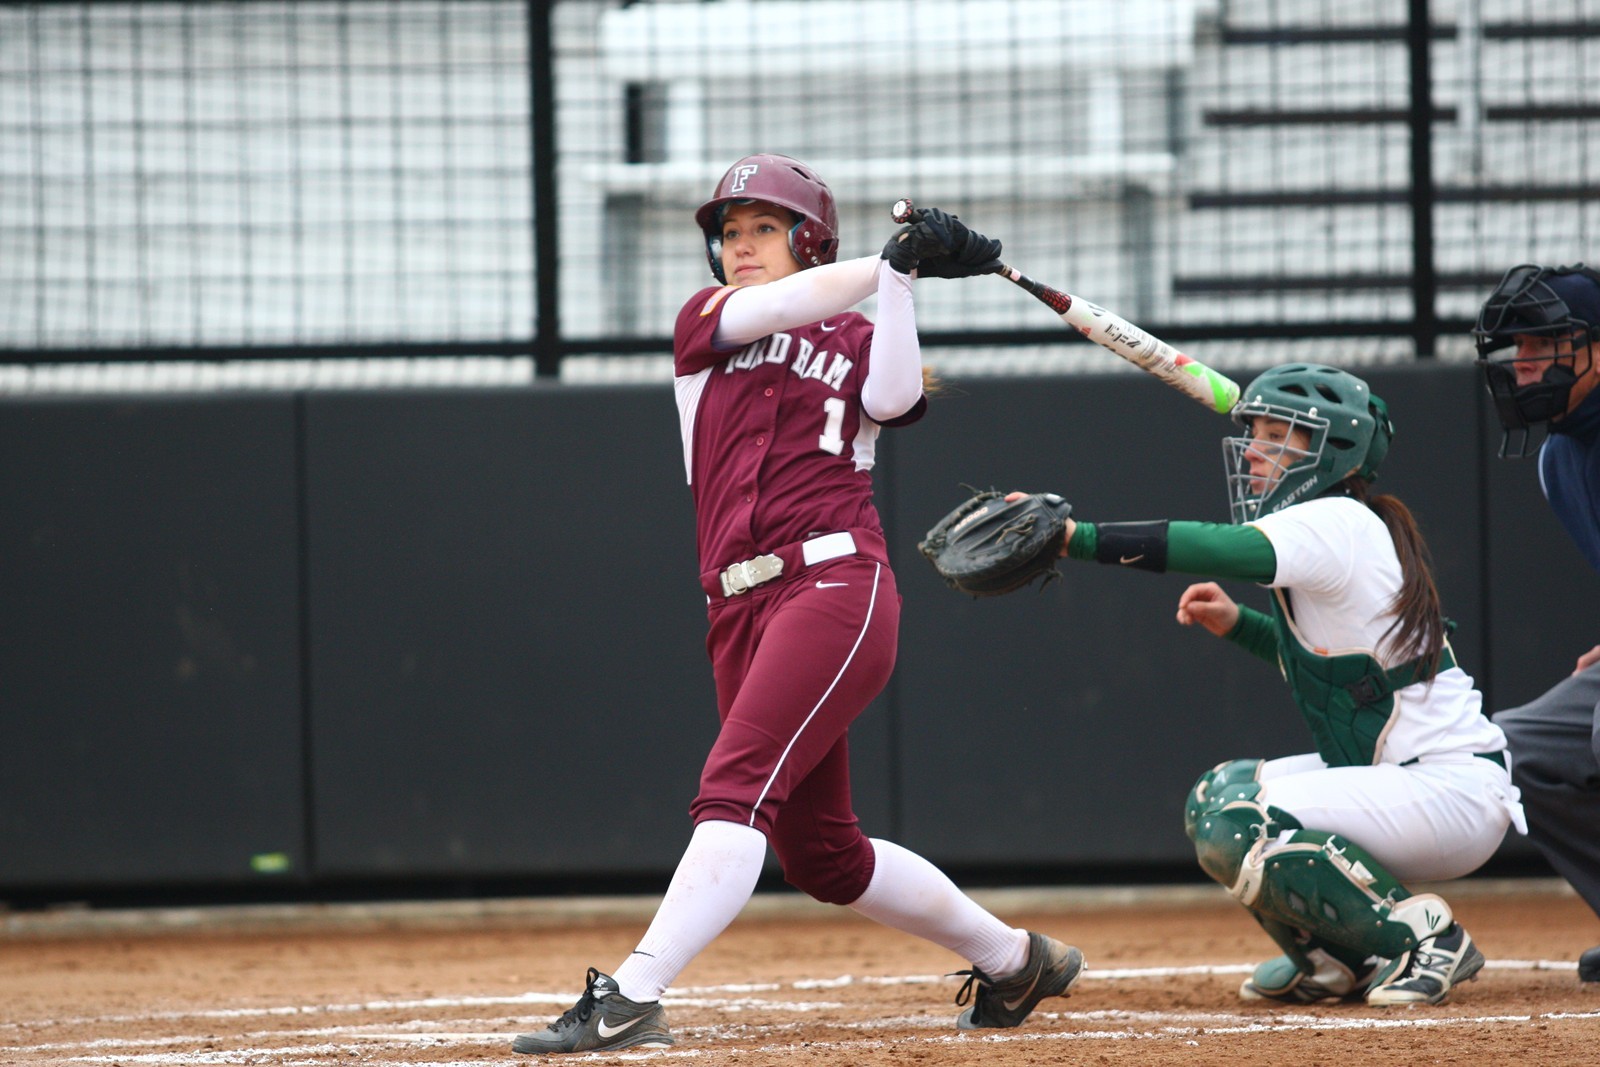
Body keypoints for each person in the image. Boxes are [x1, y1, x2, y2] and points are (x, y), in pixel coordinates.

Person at [511, 153, 1083, 1054]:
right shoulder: (706, 322)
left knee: (731, 791)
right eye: (730, 233)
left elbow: (894, 397)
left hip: (834, 585)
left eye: (764, 230)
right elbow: (775, 307)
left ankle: (632, 993)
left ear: (807, 239)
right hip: (737, 608)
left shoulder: (858, 333)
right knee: (824, 855)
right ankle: (1017, 960)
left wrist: (899, 282)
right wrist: (900, 260)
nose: (741, 247)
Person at [1013, 362, 1524, 1007]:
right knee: (1217, 796)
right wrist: (1238, 626)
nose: (1254, 450)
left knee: (1239, 823)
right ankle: (1340, 960)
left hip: (1450, 791)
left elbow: (1222, 549)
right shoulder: (1338, 526)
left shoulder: (1337, 520)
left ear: (1332, 449)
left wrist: (1074, 539)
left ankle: (1426, 938)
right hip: (1410, 779)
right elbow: (1322, 669)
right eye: (1256, 431)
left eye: (1279, 435)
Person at [1473, 263, 1600, 983]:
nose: (1522, 366)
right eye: (1514, 349)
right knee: (1510, 749)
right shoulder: (1558, 459)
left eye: (1542, 344)